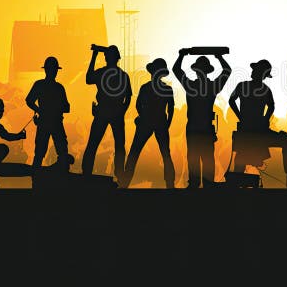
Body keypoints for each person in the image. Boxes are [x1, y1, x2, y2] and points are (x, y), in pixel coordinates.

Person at [228, 59, 287, 188]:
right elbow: (271, 106)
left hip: (250, 131)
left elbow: (231, 100)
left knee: (242, 157)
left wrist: (244, 117)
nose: (253, 72)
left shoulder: (244, 86)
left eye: (256, 70)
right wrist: (264, 118)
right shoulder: (263, 89)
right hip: (258, 132)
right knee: (286, 142)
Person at [173, 48, 231, 188]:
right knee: (207, 158)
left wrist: (181, 55)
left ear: (197, 71)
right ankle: (208, 184)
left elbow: (176, 70)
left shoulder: (191, 86)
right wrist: (219, 57)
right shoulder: (212, 86)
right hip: (205, 128)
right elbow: (227, 71)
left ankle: (194, 183)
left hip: (193, 127)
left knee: (193, 157)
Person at [121, 58, 175, 188]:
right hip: (158, 122)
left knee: (135, 152)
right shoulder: (165, 89)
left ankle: (124, 183)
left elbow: (138, 105)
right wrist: (167, 123)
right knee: (165, 153)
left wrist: (143, 117)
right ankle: (170, 184)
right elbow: (171, 108)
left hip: (148, 122)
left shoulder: (145, 88)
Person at [81, 45, 132, 179]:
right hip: (115, 113)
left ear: (106, 58)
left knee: (93, 144)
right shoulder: (123, 75)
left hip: (103, 112)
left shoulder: (102, 73)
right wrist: (122, 111)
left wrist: (94, 55)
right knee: (119, 146)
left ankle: (86, 173)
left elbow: (88, 78)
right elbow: (128, 97)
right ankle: (119, 173)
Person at [25, 56, 71, 170]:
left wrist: (39, 110)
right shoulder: (58, 88)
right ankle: (61, 176)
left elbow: (29, 100)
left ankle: (36, 177)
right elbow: (66, 107)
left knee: (41, 152)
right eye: (53, 69)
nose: (54, 72)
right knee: (60, 151)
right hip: (54, 123)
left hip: (46, 122)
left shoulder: (40, 85)